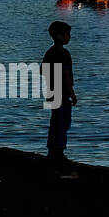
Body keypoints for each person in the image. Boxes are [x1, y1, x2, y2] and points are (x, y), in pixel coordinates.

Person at [41, 21, 78, 175]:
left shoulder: (50, 52)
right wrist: (72, 93)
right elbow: (66, 75)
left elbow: (42, 70)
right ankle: (59, 153)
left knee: (55, 122)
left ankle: (53, 151)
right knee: (62, 123)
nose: (69, 37)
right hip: (62, 93)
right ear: (59, 36)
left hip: (51, 91)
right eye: (66, 34)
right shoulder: (63, 53)